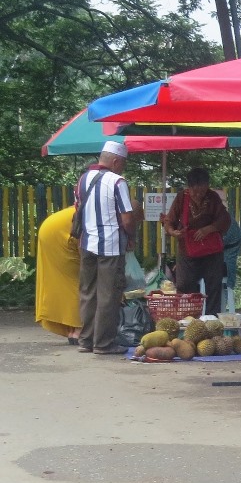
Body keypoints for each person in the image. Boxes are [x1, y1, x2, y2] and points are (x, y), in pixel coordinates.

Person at [75, 141, 135, 355]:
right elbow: (127, 219)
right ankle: (103, 343)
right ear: (116, 161)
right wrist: (131, 237)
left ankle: (86, 340)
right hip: (110, 246)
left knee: (87, 293)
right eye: (124, 163)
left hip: (87, 244)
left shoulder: (83, 180)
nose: (123, 167)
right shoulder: (118, 182)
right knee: (108, 294)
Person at [162, 167, 231, 315]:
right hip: (187, 249)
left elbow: (224, 219)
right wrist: (173, 232)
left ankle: (212, 320)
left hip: (211, 251)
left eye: (202, 191)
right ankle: (190, 317)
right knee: (184, 283)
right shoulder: (182, 197)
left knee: (213, 285)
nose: (198, 195)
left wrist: (209, 229)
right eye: (195, 192)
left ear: (207, 186)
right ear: (189, 188)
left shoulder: (213, 197)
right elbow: (169, 221)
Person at [35, 205, 81, 344]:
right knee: (79, 280)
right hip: (60, 234)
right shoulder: (110, 214)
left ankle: (73, 330)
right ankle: (79, 330)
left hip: (51, 229)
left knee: (68, 281)